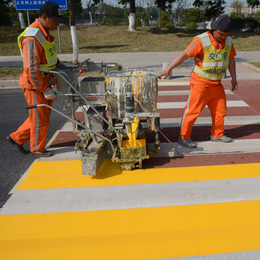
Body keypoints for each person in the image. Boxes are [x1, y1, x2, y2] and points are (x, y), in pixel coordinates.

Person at [158, 15, 238, 149]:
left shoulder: (228, 42)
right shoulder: (201, 40)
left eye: (227, 34)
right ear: (213, 29)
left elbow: (231, 59)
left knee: (220, 111)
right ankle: (184, 137)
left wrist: (234, 77)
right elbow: (185, 54)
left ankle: (217, 135)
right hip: (200, 83)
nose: (224, 37)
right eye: (221, 34)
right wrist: (168, 69)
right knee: (192, 111)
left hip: (216, 84)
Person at [6, 1, 66, 157]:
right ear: (45, 17)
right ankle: (37, 149)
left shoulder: (43, 34)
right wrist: (43, 88)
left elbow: (49, 56)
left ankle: (16, 138)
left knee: (40, 116)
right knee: (41, 120)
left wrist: (63, 65)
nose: (57, 25)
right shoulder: (32, 37)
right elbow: (31, 68)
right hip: (35, 85)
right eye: (56, 21)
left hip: (45, 82)